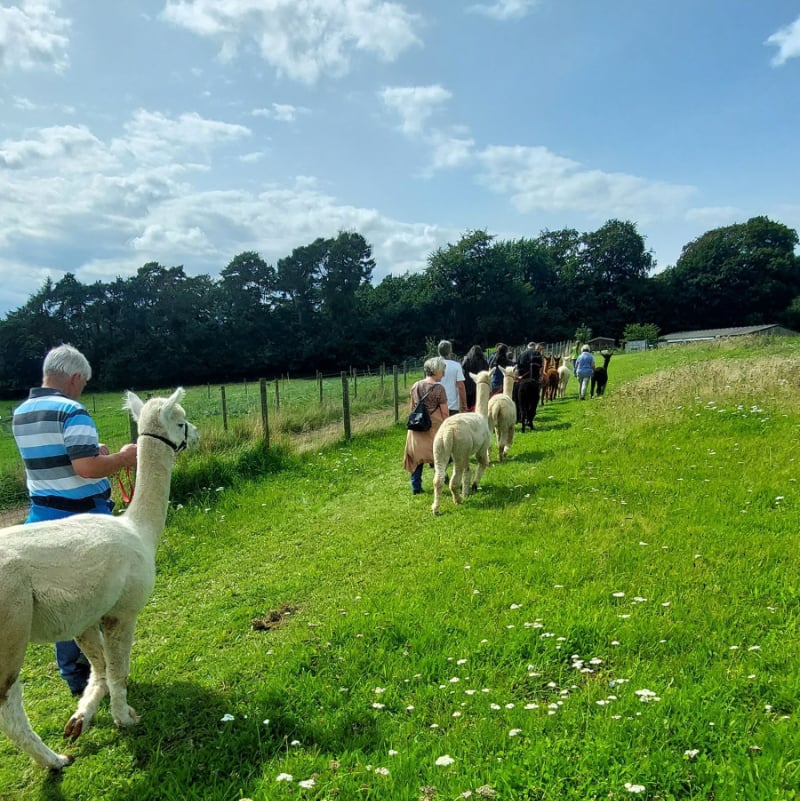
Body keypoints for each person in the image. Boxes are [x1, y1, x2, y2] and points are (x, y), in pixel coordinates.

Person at [12, 343, 138, 695]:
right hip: (82, 520)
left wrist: (96, 455)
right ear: (75, 377)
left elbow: (58, 460)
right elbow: (86, 469)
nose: (82, 389)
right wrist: (123, 458)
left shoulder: (22, 412)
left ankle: (75, 677)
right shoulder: (71, 409)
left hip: (42, 515)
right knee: (96, 599)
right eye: (83, 383)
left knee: (60, 603)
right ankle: (105, 675)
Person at [403, 356, 449, 494]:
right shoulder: (439, 389)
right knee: (437, 455)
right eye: (442, 371)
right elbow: (445, 412)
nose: (444, 374)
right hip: (434, 427)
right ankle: (443, 479)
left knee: (417, 456)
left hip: (417, 426)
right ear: (436, 371)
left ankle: (416, 486)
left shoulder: (416, 385)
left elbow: (412, 407)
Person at [437, 340, 466, 415]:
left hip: (435, 406)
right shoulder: (456, 365)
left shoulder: (433, 364)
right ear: (450, 351)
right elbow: (461, 387)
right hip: (452, 406)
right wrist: (464, 404)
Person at [461, 345, 490, 411]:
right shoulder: (483, 361)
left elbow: (463, 370)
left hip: (467, 386)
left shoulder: (466, 361)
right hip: (479, 384)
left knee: (468, 406)